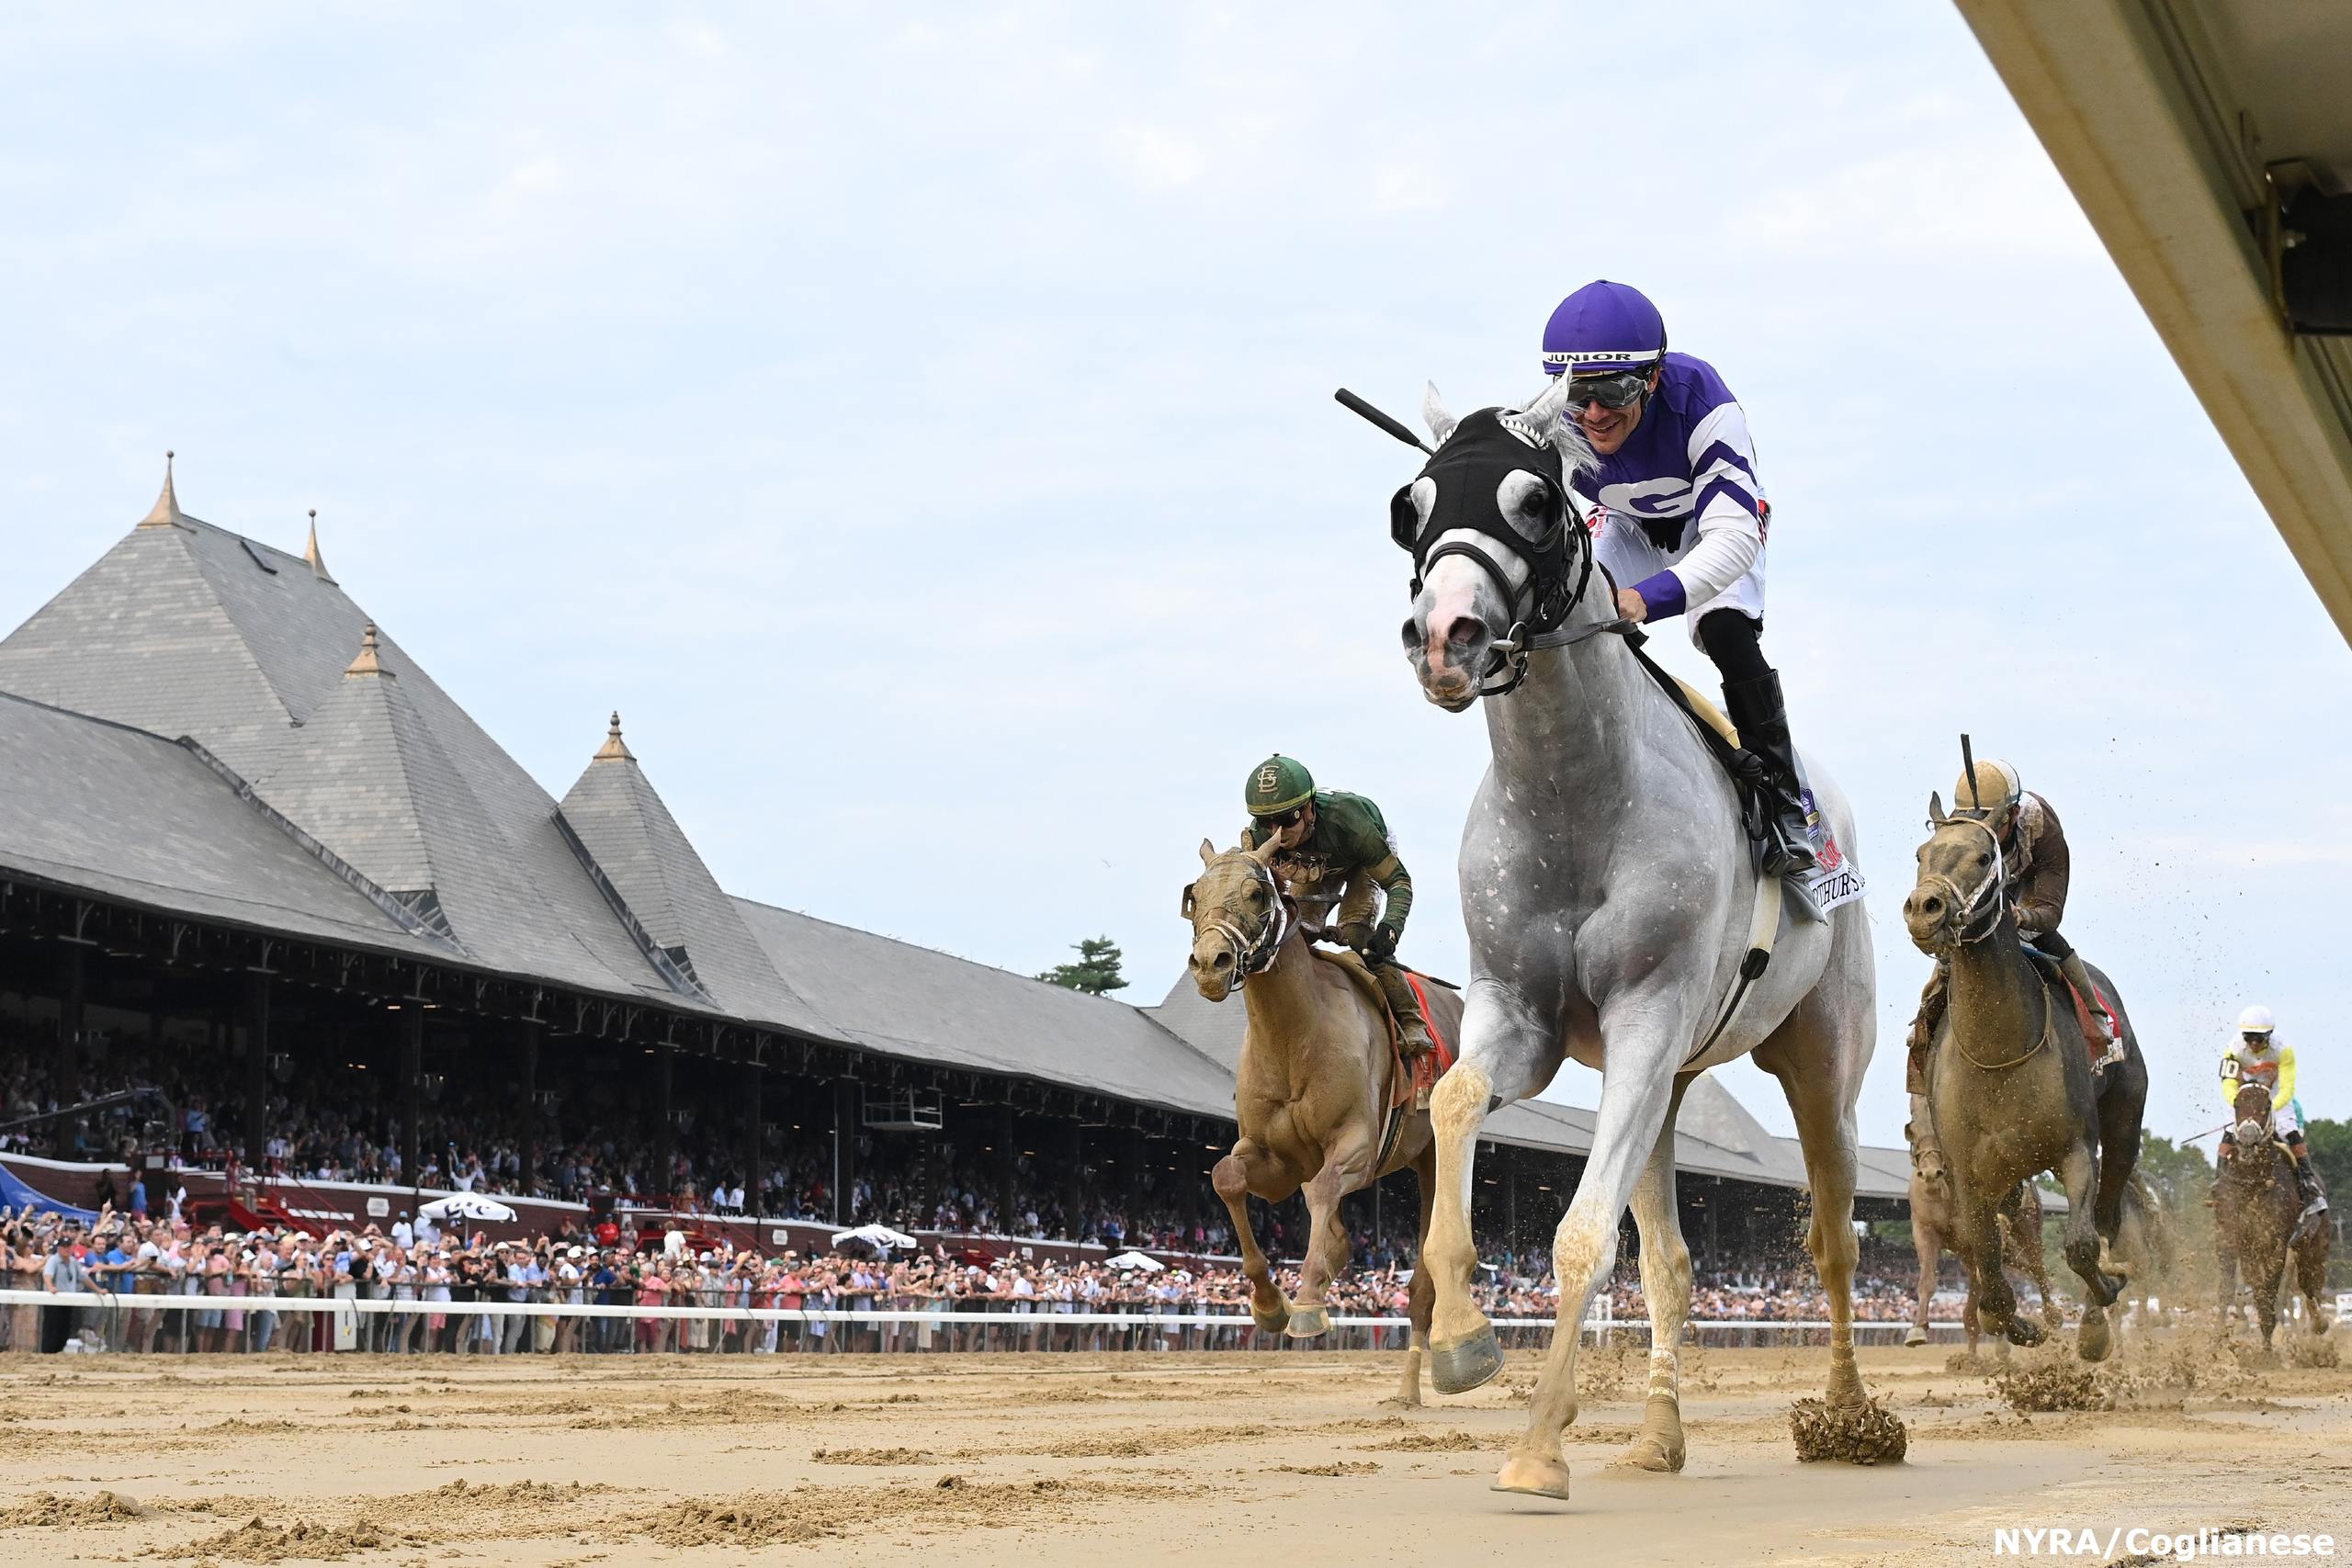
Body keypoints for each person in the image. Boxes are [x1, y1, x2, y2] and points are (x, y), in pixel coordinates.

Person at [1538, 279, 1815, 875]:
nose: (1592, 414)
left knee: (1722, 629)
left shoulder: (1702, 402)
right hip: (1628, 525)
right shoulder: (1556, 424)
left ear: (1653, 379)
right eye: (1577, 394)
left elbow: (1734, 538)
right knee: (1578, 614)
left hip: (1709, 523)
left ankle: (1787, 802)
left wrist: (1648, 598)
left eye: (1612, 391)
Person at [1905, 757, 2117, 1166]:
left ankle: (2097, 1026)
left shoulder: (2043, 829)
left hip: (2026, 898)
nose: (1977, 824)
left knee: (2057, 947)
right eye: (1969, 816)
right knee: (1935, 986)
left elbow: (2052, 907)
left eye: (1990, 818)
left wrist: (2024, 916)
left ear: (2013, 814)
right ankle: (1922, 1069)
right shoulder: (1959, 830)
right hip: (1978, 903)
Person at [1237, 754, 1432, 1060]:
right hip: (1314, 864)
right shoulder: (1261, 838)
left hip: (1360, 859)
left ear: (1310, 808)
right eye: (1266, 822)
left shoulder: (1351, 821)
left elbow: (1398, 883)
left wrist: (1389, 930)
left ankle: (1410, 1018)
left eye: (1288, 820)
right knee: (1294, 934)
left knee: (1357, 934)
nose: (1278, 833)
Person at [2220, 1004, 2328, 1236]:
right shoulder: (2233, 1048)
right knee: (2230, 1130)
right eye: (2249, 1038)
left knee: (2290, 1129)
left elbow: (2287, 1087)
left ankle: (2310, 1188)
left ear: (2269, 1035)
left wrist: (2269, 1108)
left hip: (2274, 1095)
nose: (2254, 1044)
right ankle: (2219, 1183)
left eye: (2259, 1039)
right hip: (2244, 1096)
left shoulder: (2284, 1049)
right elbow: (2227, 1083)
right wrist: (2237, 1103)